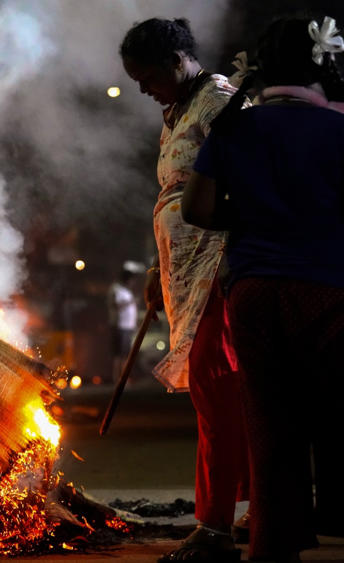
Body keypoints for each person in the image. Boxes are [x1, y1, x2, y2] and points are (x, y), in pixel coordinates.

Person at [182, 15, 344, 562]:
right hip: (331, 290)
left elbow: (197, 208)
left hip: (254, 293)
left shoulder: (235, 127)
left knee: (270, 424)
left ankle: (274, 545)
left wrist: (255, 216)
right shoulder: (338, 129)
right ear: (322, 63)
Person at [120, 18, 250, 562]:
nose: (144, 90)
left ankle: (215, 526)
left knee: (217, 388)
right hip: (186, 268)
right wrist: (159, 265)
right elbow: (175, 193)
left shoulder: (219, 101)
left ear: (177, 60)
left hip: (217, 264)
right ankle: (254, 511)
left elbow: (246, 179)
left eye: (149, 78)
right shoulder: (178, 111)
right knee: (219, 392)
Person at [106, 267, 138, 383]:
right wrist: (131, 302)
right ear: (127, 279)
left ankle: (123, 378)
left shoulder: (126, 291)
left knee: (125, 354)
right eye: (132, 280)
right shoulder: (116, 289)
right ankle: (118, 378)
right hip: (120, 326)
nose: (133, 283)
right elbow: (115, 305)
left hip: (127, 326)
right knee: (119, 354)